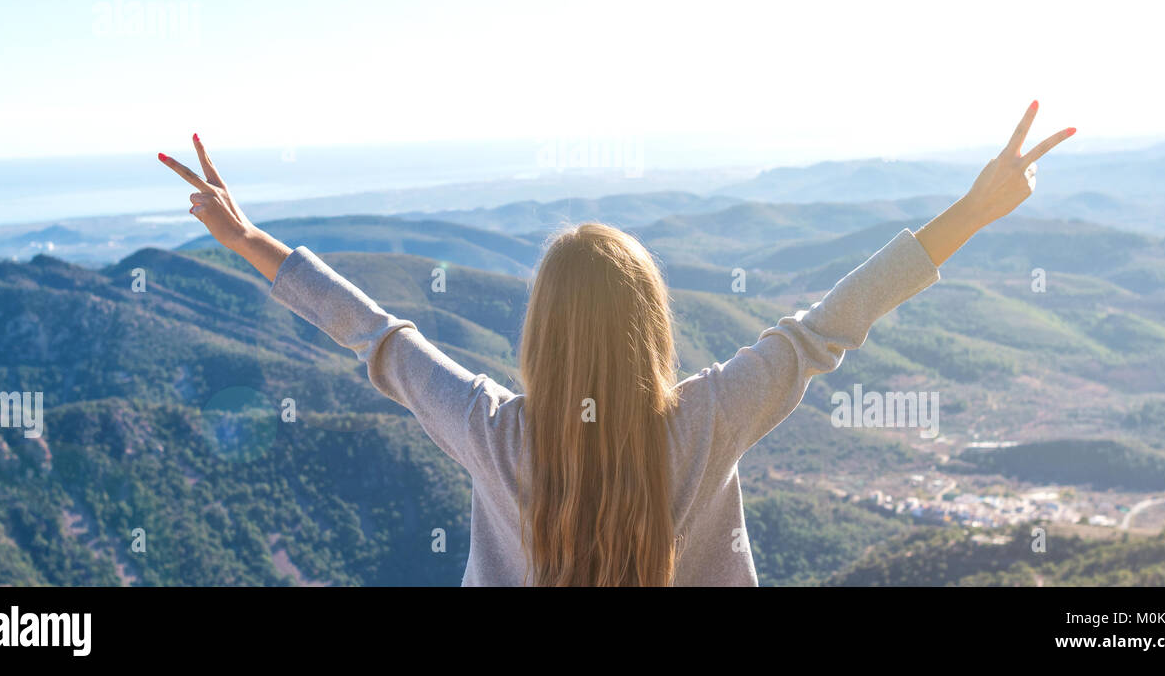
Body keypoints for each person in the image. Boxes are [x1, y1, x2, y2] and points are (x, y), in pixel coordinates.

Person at [159, 102, 1075, 586]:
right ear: (653, 326)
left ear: (539, 334)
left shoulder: (491, 431)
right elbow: (833, 321)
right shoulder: (711, 416)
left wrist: (246, 241)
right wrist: (973, 212)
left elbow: (373, 332)